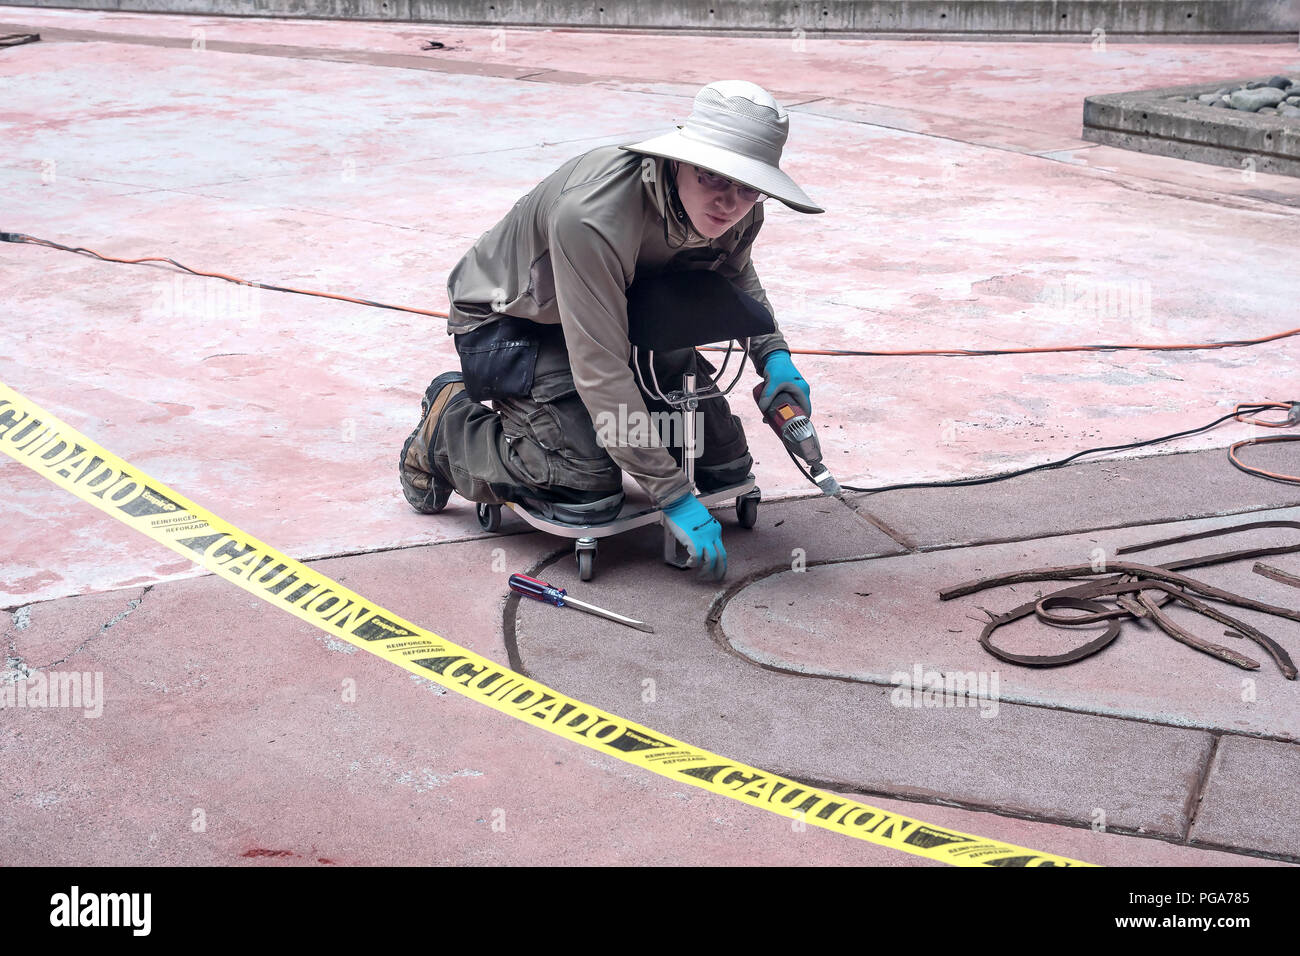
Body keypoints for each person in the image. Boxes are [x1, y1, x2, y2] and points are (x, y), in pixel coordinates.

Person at [399, 80, 823, 581]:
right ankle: (449, 423)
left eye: (747, 187)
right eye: (713, 178)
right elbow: (600, 367)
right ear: (679, 161)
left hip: (619, 310)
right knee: (584, 487)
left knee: (722, 466)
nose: (729, 204)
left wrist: (773, 356)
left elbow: (734, 275)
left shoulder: (737, 209)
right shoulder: (594, 216)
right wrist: (672, 495)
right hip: (517, 322)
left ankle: (625, 435)